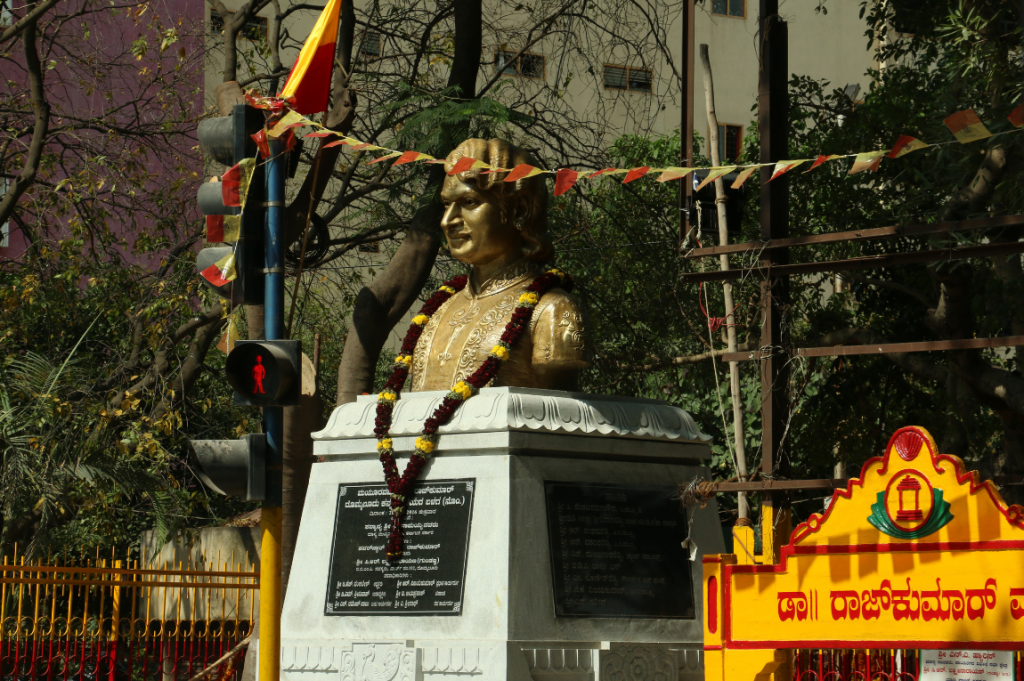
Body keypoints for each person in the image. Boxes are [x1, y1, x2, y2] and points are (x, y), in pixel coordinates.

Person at [408, 138, 591, 392]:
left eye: (469, 202)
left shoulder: (552, 310)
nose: (447, 221)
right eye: (447, 205)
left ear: (520, 210)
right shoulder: (439, 309)